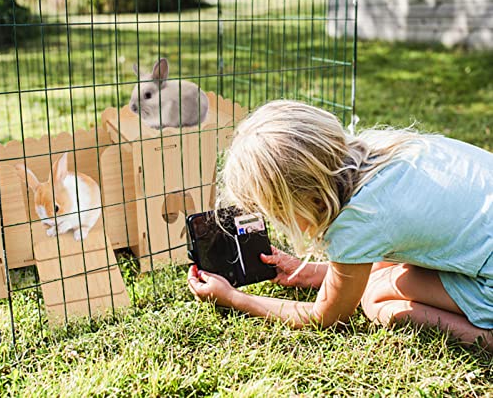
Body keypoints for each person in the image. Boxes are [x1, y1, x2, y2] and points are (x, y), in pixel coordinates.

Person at [187, 100, 493, 349]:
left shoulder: (358, 219)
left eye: (278, 211)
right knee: (385, 270)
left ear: (301, 200)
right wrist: (309, 273)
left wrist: (234, 298)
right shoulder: (382, 149)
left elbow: (326, 316)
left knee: (377, 297)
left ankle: (485, 337)